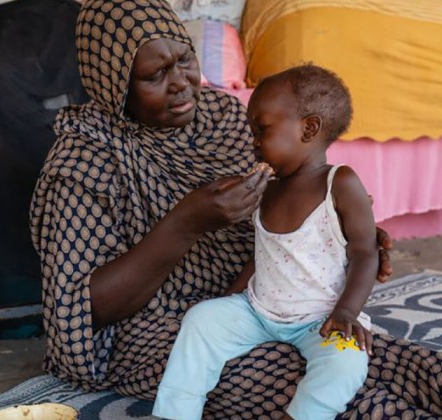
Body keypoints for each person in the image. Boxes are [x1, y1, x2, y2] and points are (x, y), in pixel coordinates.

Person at [30, 0, 442, 418]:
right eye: (155, 75)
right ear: (113, 84)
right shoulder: (86, 159)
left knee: (361, 347)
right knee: (280, 377)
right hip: (151, 328)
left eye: (184, 60)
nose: (183, 84)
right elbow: (85, 309)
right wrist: (185, 222)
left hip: (255, 294)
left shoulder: (219, 117)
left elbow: (295, 194)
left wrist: (341, 230)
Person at [153, 65, 379, 420]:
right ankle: (175, 412)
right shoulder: (268, 188)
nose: (253, 142)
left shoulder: (341, 183)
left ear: (309, 128)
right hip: (258, 311)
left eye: (262, 130)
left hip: (321, 317)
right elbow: (267, 255)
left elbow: (366, 252)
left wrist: (347, 311)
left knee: (348, 357)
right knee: (201, 320)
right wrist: (232, 296)